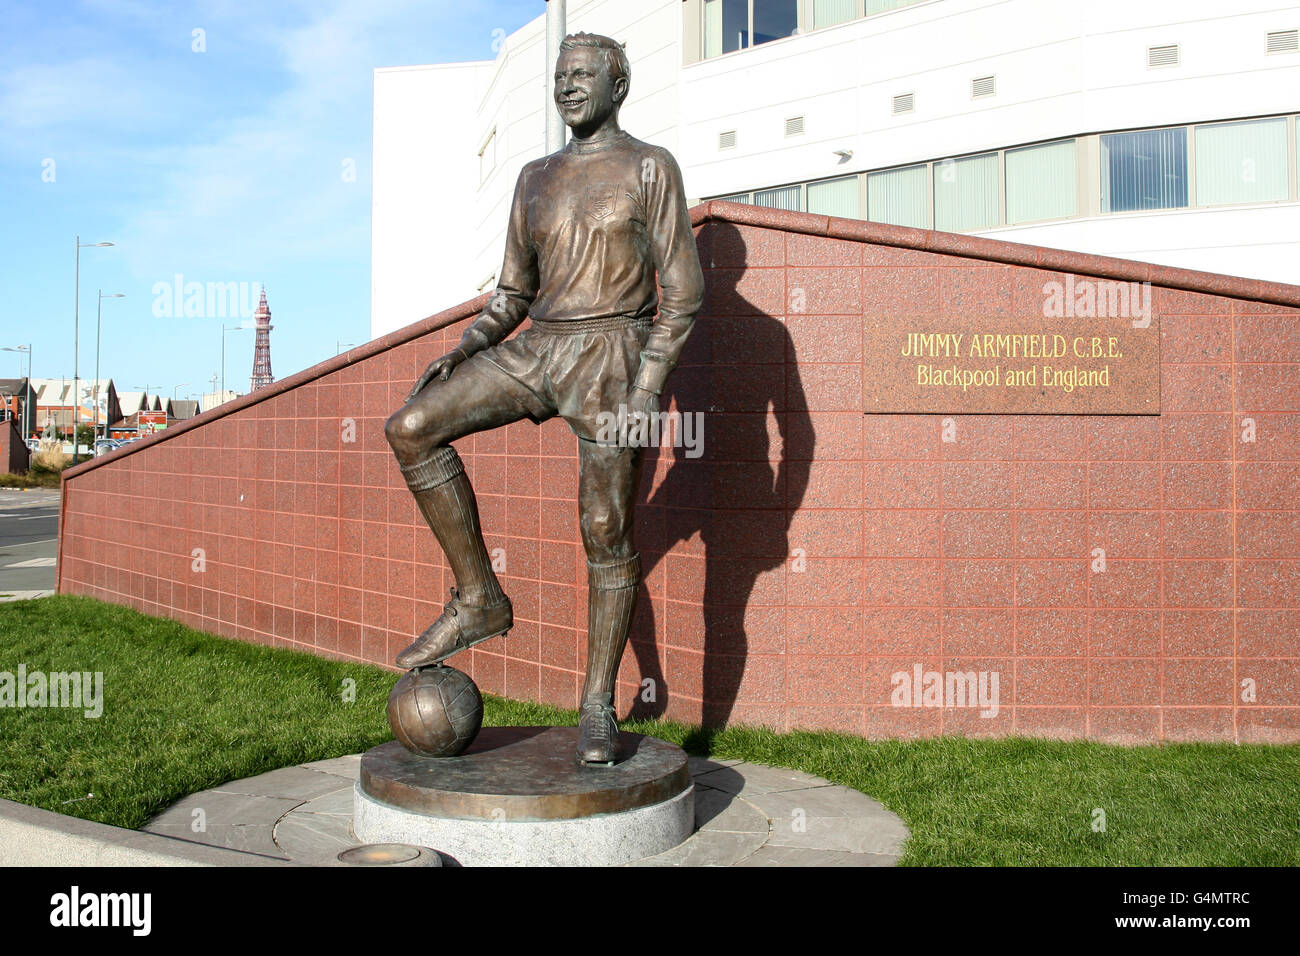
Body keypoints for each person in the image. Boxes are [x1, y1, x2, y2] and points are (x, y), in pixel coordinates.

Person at [384, 32, 705, 763]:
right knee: (412, 427)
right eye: (560, 75)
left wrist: (647, 389)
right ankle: (478, 598)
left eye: (584, 74)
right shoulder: (533, 177)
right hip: (537, 349)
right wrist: (463, 349)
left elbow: (682, 296)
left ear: (617, 87)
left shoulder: (651, 168)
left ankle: (597, 705)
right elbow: (512, 295)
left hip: (613, 357)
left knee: (604, 532)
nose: (568, 85)